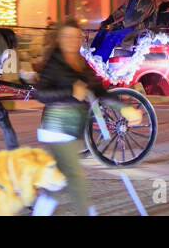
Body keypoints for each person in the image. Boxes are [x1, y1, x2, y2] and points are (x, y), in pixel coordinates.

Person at [32, 19, 143, 216]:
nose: (72, 41)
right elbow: (41, 93)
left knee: (55, 183)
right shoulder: (55, 63)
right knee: (76, 179)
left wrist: (124, 109)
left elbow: (99, 91)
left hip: (73, 132)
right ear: (59, 39)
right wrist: (70, 91)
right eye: (67, 37)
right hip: (56, 130)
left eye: (76, 37)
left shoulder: (81, 63)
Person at [90, 0, 158, 61]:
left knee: (111, 36)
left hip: (141, 30)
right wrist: (108, 21)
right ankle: (92, 57)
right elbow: (122, 10)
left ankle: (100, 61)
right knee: (103, 32)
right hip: (130, 27)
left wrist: (118, 26)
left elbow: (135, 19)